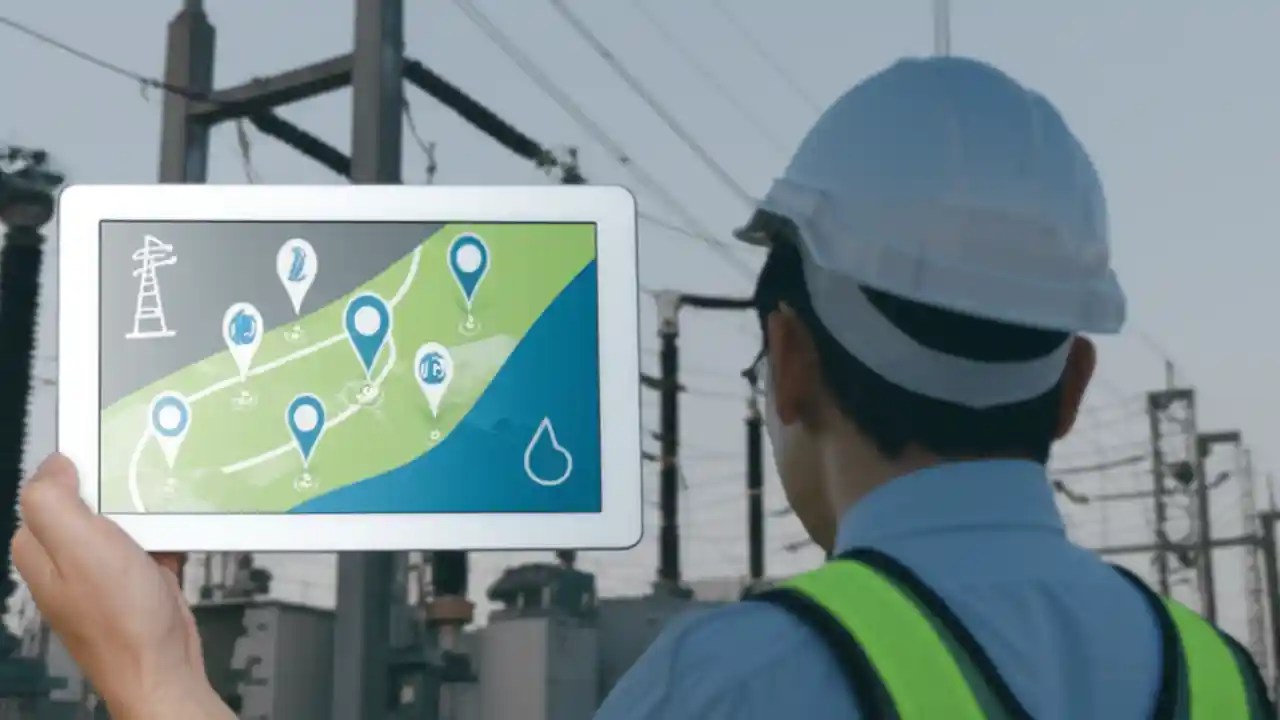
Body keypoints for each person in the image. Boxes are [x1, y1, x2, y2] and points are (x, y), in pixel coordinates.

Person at [12, 57, 1270, 719]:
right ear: (1069, 387)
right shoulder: (1222, 681)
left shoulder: (739, 683)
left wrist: (158, 684)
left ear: (787, 359)